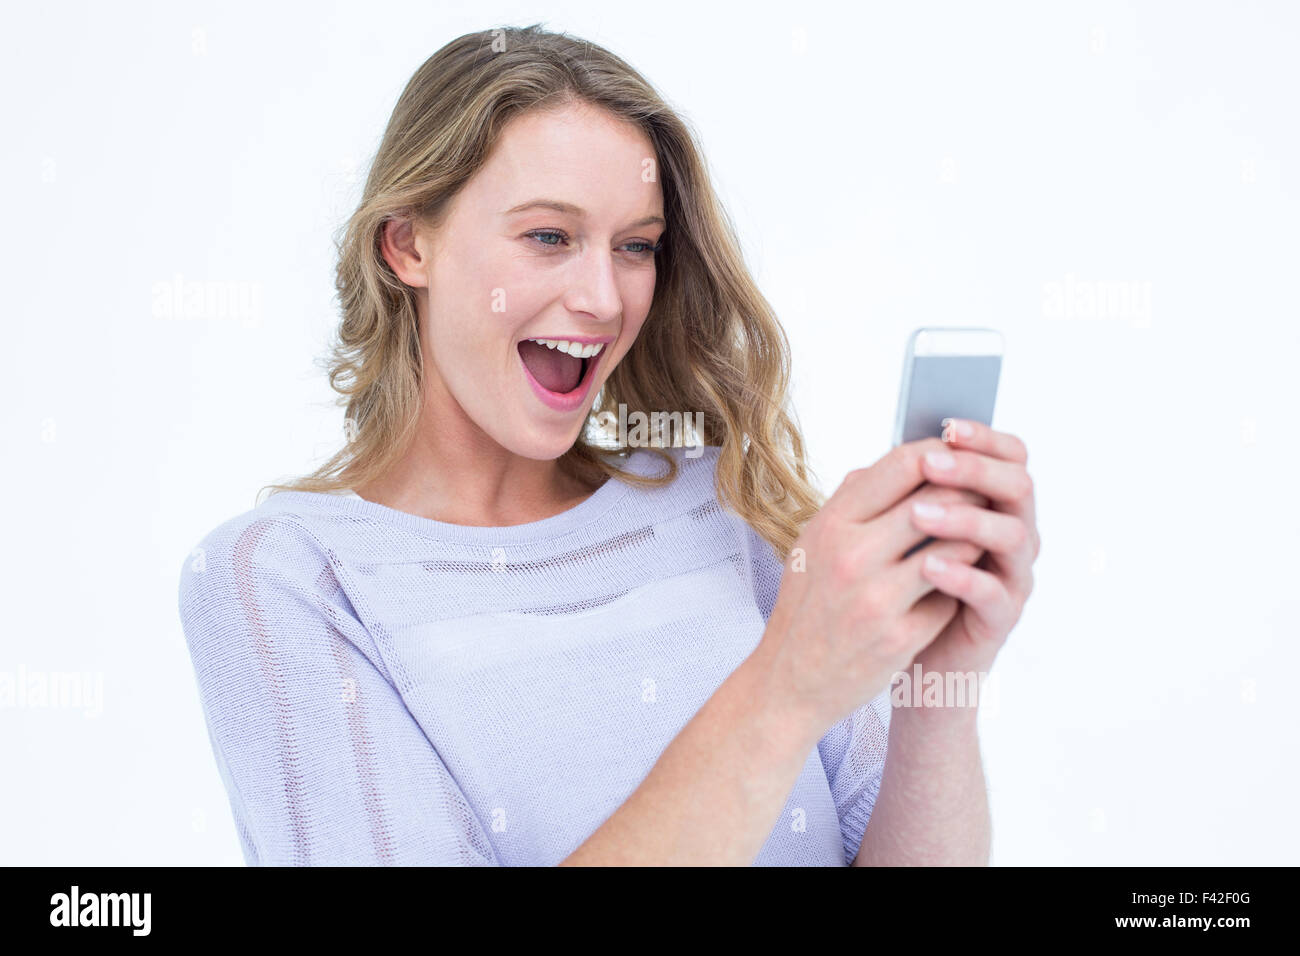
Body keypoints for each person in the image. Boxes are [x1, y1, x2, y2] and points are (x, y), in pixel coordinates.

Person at [177, 24, 1039, 866]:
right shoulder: (287, 577)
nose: (604, 297)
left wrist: (936, 688)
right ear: (408, 245)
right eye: (549, 236)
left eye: (636, 247)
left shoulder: (717, 505)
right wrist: (783, 689)